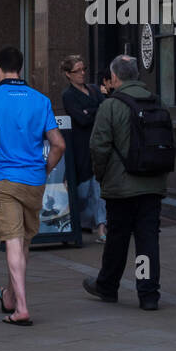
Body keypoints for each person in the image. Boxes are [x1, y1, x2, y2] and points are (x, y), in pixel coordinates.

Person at [0, 45, 65, 326]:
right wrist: (45, 168)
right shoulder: (41, 100)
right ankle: (10, 297)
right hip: (34, 181)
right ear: (21, 69)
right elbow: (58, 144)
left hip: (3, 179)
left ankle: (22, 308)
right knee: (23, 241)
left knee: (14, 241)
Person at [83, 55, 166, 311]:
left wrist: (100, 175)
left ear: (115, 77)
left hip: (121, 186)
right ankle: (148, 293)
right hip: (152, 182)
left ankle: (108, 286)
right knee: (147, 240)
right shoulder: (157, 101)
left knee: (117, 239)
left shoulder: (111, 105)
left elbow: (99, 146)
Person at [60, 54, 107, 242]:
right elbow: (82, 119)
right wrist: (95, 110)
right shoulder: (68, 95)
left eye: (83, 69)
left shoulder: (94, 90)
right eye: (77, 71)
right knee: (82, 189)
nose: (82, 73)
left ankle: (101, 227)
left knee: (98, 187)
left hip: (99, 144)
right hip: (80, 147)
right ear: (67, 74)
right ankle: (78, 222)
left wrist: (91, 111)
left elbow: (104, 109)